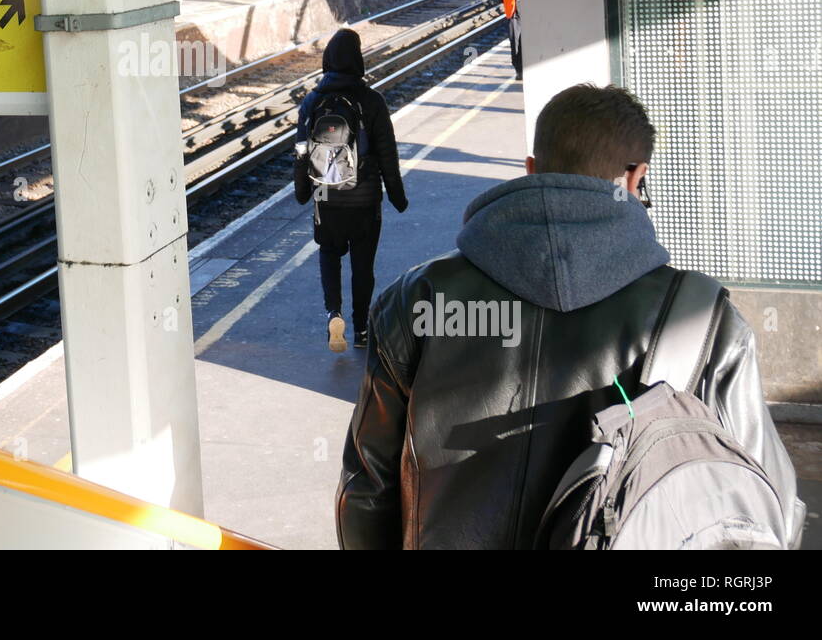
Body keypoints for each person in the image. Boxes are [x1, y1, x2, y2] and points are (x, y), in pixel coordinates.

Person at [336, 84, 804, 550]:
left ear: (532, 169)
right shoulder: (703, 319)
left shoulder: (417, 301)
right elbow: (770, 506)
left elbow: (367, 489)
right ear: (636, 177)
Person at [294, 29, 408, 352]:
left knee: (329, 254)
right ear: (357, 60)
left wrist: (302, 191)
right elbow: (388, 155)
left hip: (326, 198)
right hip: (364, 201)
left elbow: (301, 152)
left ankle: (334, 313)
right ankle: (360, 330)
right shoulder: (372, 102)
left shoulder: (311, 102)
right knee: (362, 266)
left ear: (327, 60)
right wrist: (398, 197)